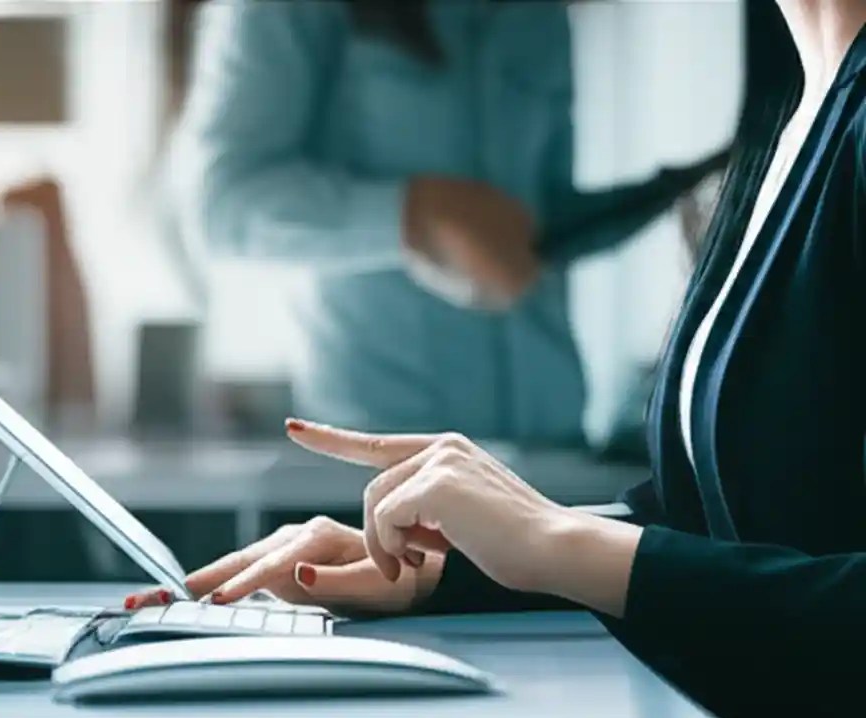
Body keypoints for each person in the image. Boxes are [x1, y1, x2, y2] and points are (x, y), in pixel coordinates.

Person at [135, 0, 866, 715]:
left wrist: (553, 540)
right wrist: (453, 572)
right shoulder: (793, 114)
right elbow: (741, 533)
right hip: (405, 468)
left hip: (546, 440)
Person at [171, 0, 725, 441]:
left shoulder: (538, 15)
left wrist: (675, 190)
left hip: (550, 453)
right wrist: (413, 216)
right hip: (387, 461)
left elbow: (528, 232)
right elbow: (221, 204)